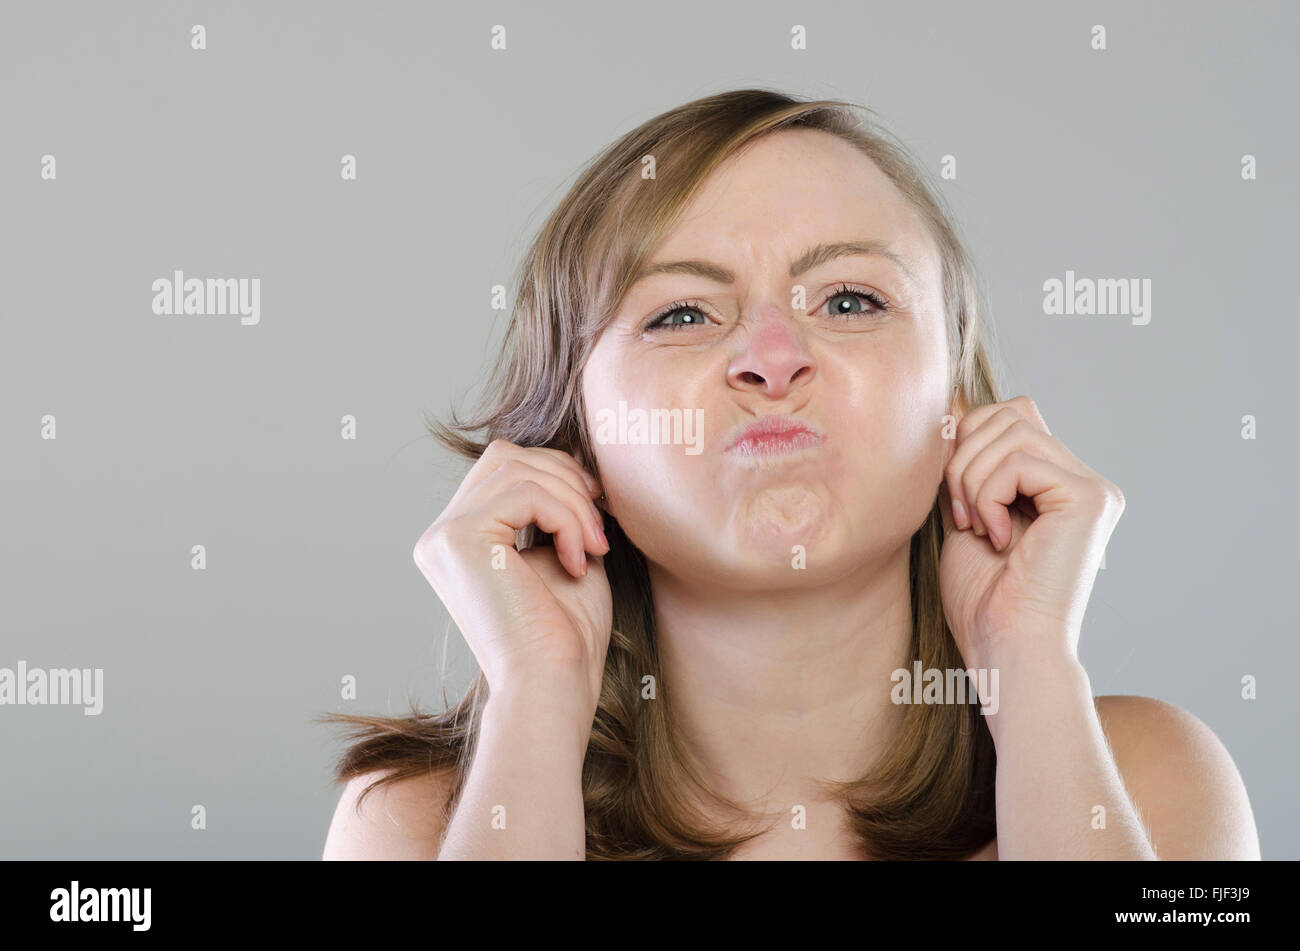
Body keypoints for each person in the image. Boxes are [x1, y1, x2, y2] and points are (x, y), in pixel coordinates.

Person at [320, 88, 1258, 860]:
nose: (773, 359)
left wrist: (1031, 661)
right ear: (575, 440)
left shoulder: (1152, 780)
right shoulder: (417, 821)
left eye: (850, 298)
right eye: (683, 313)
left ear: (960, 407)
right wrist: (535, 690)